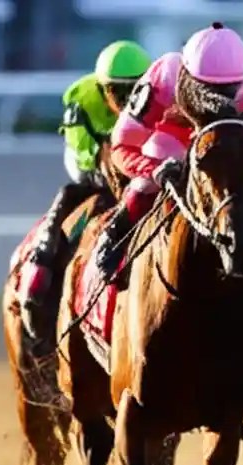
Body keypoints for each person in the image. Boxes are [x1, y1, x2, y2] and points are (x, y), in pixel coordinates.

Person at [94, 22, 243, 278]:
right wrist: (154, 171)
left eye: (227, 90)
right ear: (185, 76)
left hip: (224, 152)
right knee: (144, 185)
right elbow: (122, 145)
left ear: (241, 79)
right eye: (207, 89)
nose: (219, 100)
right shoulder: (164, 78)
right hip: (173, 145)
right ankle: (113, 239)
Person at [16, 39, 152, 342]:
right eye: (117, 90)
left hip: (139, 168)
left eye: (134, 89)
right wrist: (112, 157)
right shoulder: (83, 101)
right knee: (70, 197)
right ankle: (39, 267)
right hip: (92, 167)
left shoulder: (162, 98)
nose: (126, 99)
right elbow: (85, 156)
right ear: (101, 87)